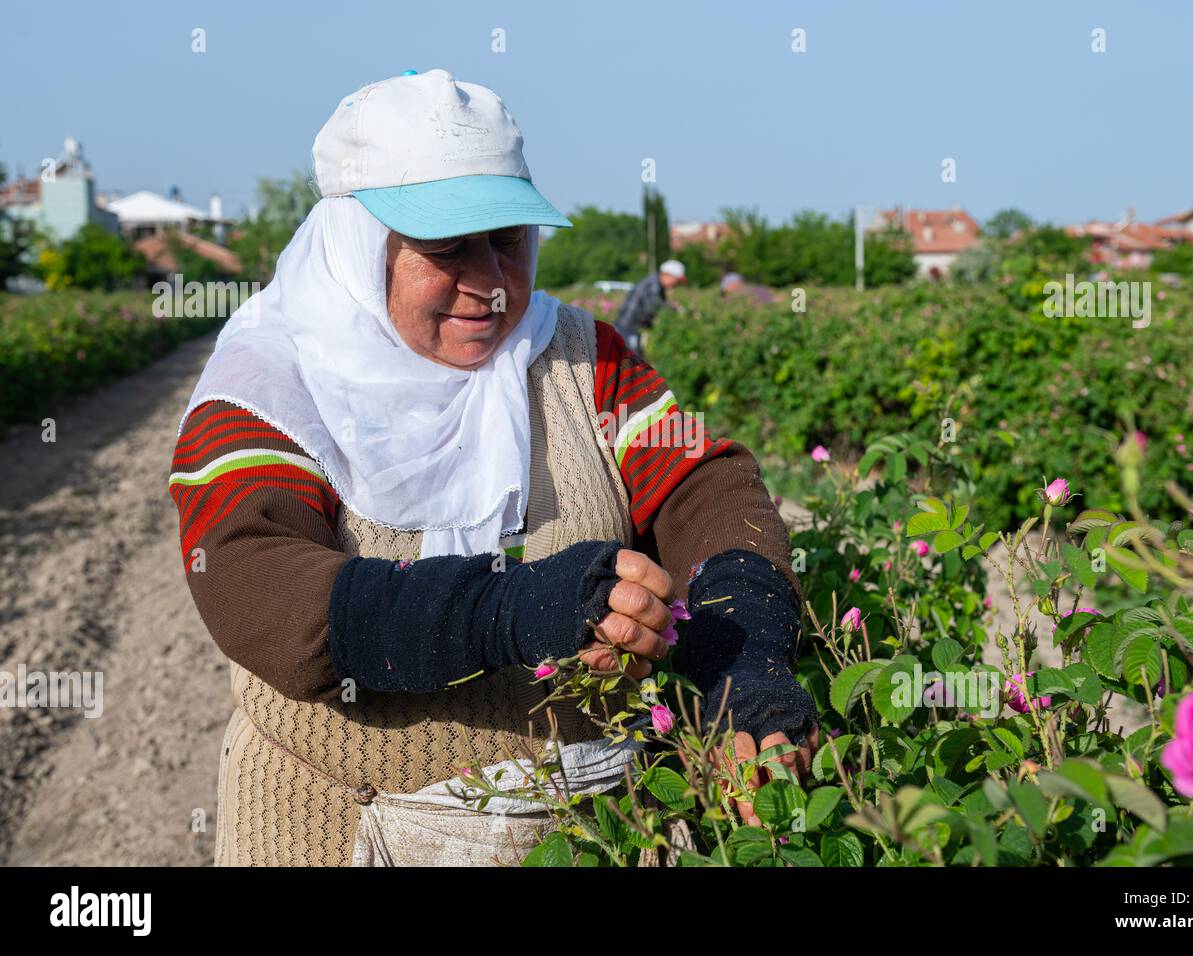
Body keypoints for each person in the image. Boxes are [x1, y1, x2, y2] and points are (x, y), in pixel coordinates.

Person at [168, 68, 817, 867]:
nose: (488, 285)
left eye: (507, 241)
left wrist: (743, 651)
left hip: (587, 834)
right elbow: (256, 589)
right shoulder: (270, 388)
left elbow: (703, 483)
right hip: (343, 828)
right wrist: (506, 611)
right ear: (358, 244)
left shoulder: (584, 357)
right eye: (445, 249)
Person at [613, 258, 687, 354]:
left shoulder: (657, 284)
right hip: (628, 326)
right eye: (676, 280)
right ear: (666, 274)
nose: (676, 285)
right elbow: (653, 307)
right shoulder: (653, 285)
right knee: (630, 360)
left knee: (634, 359)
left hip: (632, 327)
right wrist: (674, 309)